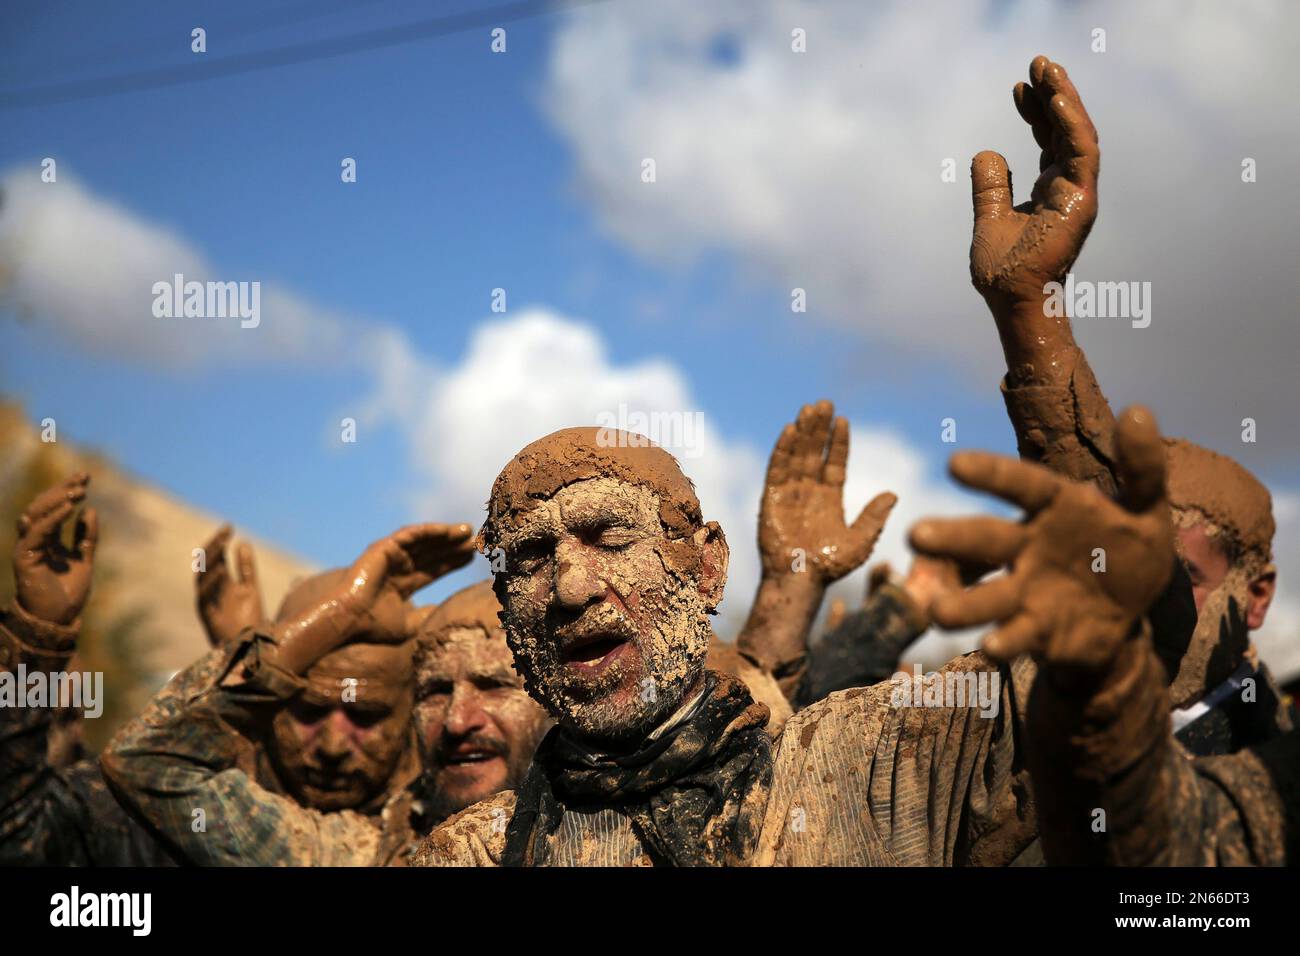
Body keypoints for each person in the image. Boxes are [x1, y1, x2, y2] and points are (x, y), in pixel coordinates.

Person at [412, 423, 1137, 866]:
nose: (571, 586)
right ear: (509, 614)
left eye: (609, 537)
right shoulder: (469, 854)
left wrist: (1028, 318)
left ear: (708, 568)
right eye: (532, 560)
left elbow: (1093, 659)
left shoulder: (875, 761)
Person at [968, 55, 1287, 755]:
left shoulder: (1275, 783)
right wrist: (1028, 310)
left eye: (1184, 575)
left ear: (1255, 597)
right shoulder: (1030, 736)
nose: (1143, 587)